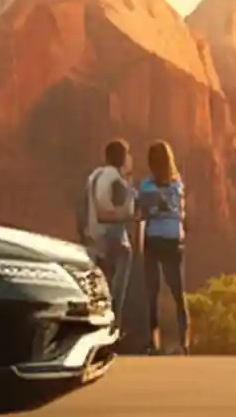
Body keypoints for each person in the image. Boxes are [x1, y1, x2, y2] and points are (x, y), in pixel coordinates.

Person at [138, 140, 189, 355]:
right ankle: (184, 341)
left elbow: (143, 213)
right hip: (173, 239)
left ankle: (153, 342)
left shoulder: (146, 186)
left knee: (152, 291)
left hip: (154, 238)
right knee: (178, 292)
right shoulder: (178, 187)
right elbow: (181, 214)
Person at [80, 139, 136, 326]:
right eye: (128, 155)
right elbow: (106, 212)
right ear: (122, 158)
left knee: (97, 284)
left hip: (91, 237)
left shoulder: (93, 176)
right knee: (124, 258)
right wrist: (131, 214)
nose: (131, 159)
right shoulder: (115, 179)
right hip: (110, 236)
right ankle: (114, 320)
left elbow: (82, 208)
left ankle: (98, 322)